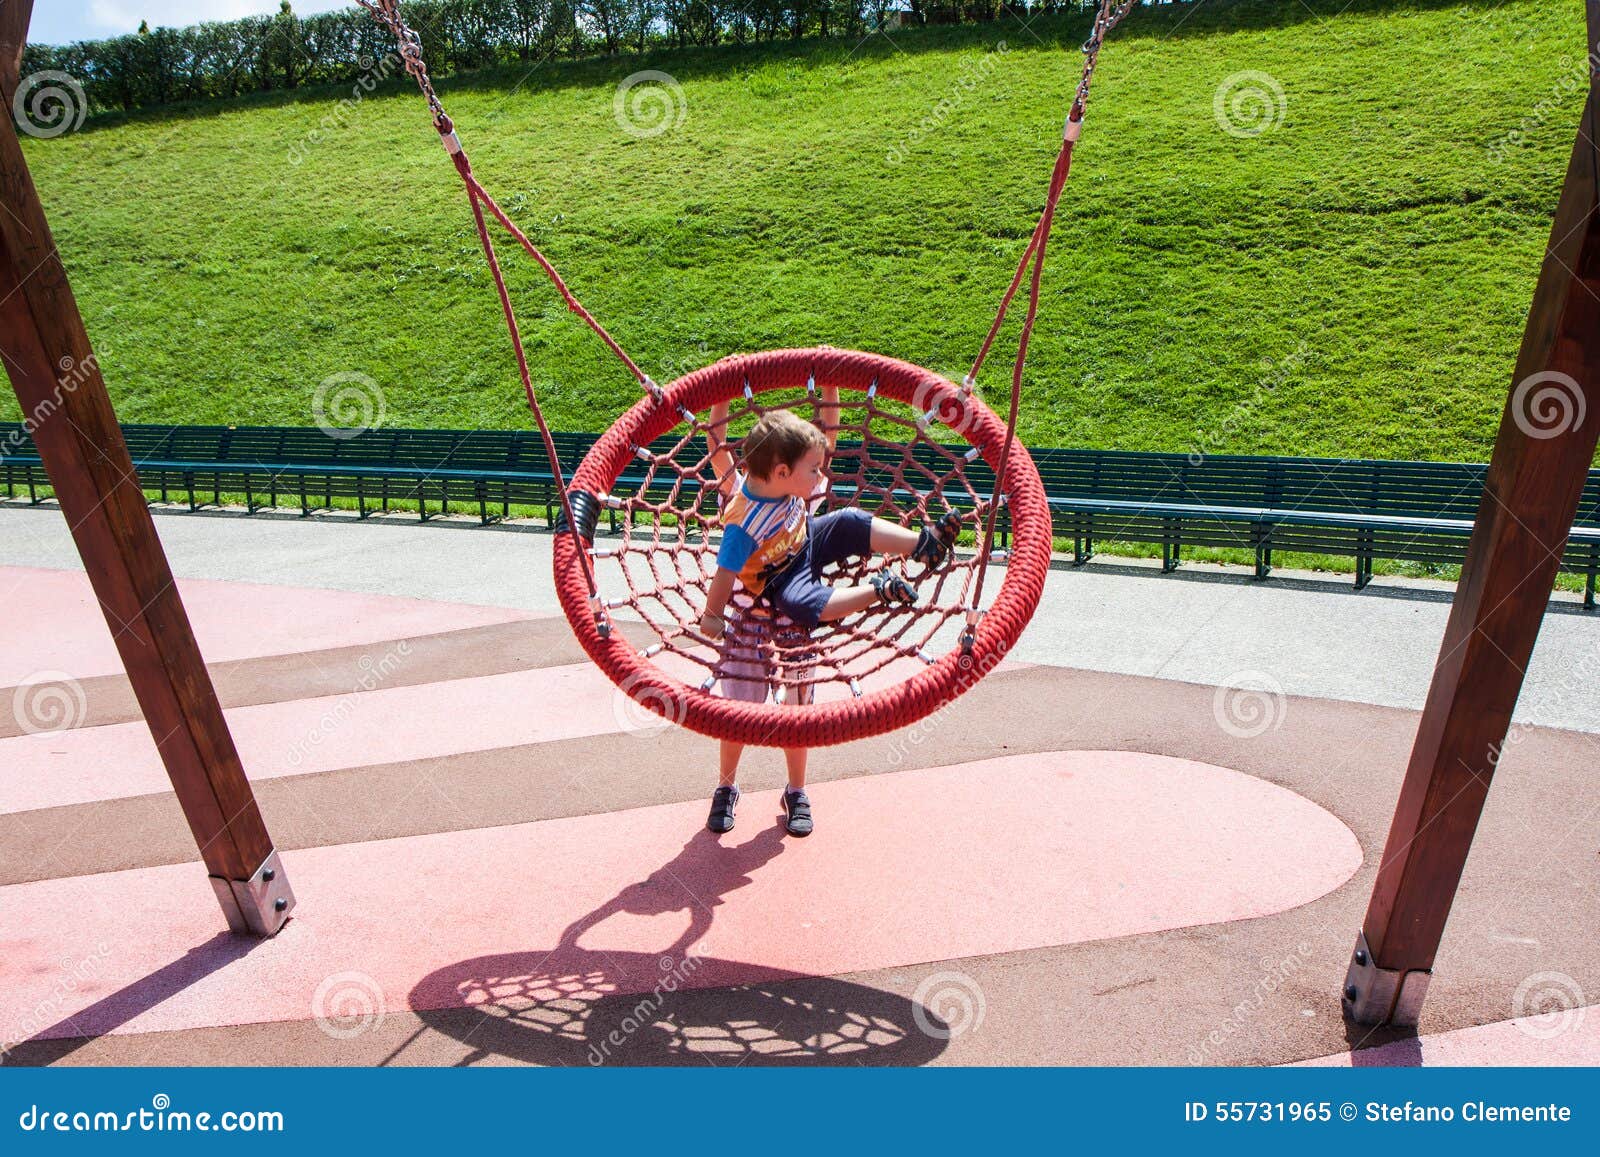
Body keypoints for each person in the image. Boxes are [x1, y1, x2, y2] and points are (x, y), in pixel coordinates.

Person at [698, 384, 961, 837]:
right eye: (813, 469)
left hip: (807, 547)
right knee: (742, 698)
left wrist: (833, 383)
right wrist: (711, 615)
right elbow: (723, 570)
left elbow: (828, 435)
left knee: (848, 520)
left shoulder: (795, 489)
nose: (821, 475)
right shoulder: (741, 510)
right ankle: (726, 786)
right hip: (768, 593)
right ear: (781, 472)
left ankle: (924, 544)